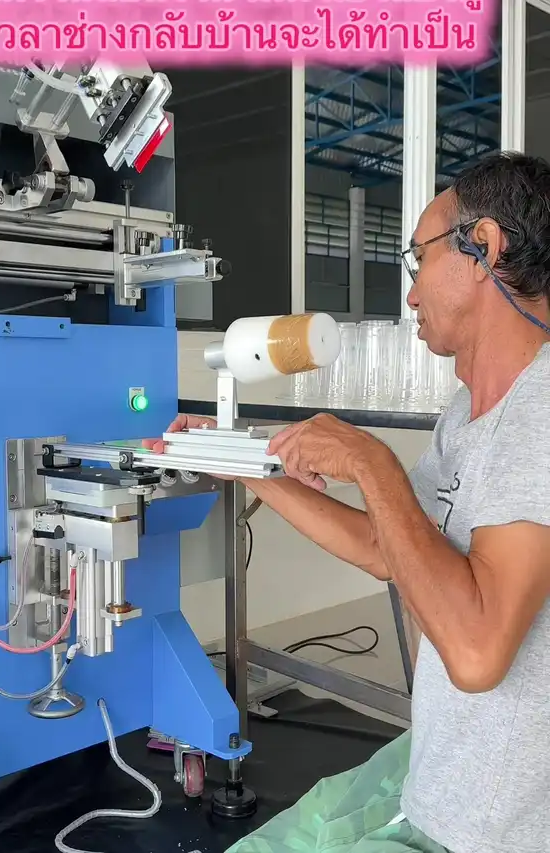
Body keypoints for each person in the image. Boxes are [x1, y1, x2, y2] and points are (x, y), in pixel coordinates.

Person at [144, 152, 550, 853]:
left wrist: (371, 462)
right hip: (442, 773)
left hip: (489, 828)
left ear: (483, 246)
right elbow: (388, 547)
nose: (412, 295)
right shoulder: (469, 413)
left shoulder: (539, 412)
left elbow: (478, 653)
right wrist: (245, 462)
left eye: (419, 259)